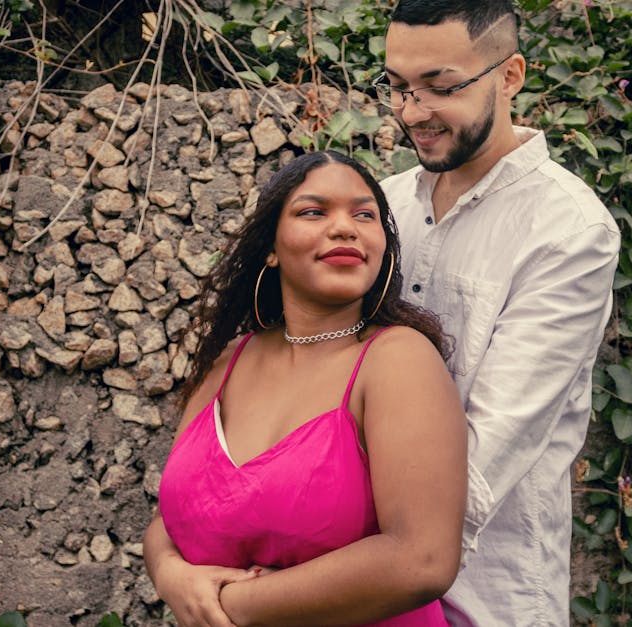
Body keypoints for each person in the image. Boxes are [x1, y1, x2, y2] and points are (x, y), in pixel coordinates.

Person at [372, 0, 622, 624]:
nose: (412, 112)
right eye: (398, 87)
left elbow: (491, 444)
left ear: (510, 77)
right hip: (355, 571)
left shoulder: (569, 230)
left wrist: (330, 553)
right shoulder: (382, 205)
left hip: (487, 595)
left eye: (440, 86)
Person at [143, 150, 468, 627]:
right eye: (314, 212)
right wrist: (173, 577)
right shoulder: (229, 364)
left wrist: (226, 608)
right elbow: (167, 520)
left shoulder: (397, 359)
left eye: (364, 214)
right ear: (270, 247)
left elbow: (421, 561)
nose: (345, 228)